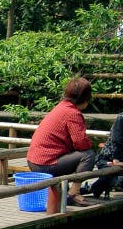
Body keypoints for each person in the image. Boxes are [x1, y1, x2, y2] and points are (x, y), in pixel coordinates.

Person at [26, 77, 96, 207]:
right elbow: (81, 143)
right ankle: (73, 194)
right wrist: (91, 144)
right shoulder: (73, 113)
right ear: (85, 98)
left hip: (34, 160)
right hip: (45, 163)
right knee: (88, 155)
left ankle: (67, 191)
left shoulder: (61, 106)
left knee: (76, 152)